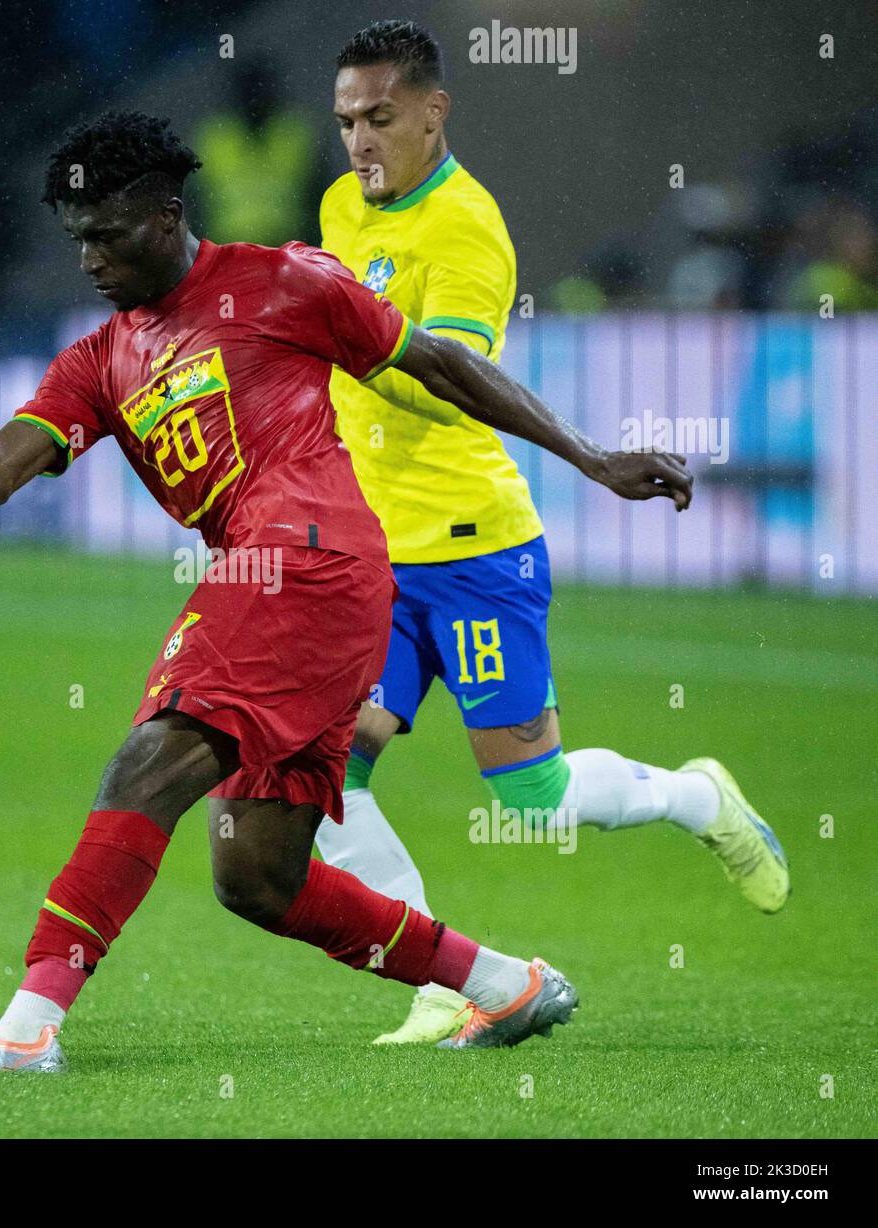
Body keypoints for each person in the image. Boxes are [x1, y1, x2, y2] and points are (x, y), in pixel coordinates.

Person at [0, 111, 691, 1074]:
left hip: (306, 563)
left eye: (106, 233)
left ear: (162, 214)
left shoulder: (282, 282)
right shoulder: (103, 359)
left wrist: (592, 456)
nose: (90, 258)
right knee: (258, 876)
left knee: (146, 765)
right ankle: (503, 985)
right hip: (309, 592)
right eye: (76, 240)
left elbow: (443, 365)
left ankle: (26, 1033)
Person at [312, 21, 791, 1047]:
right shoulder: (338, 207)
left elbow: (454, 388)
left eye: (380, 119)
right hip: (372, 556)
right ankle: (440, 980)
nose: (359, 141)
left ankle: (693, 797)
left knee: (531, 792)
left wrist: (357, 341)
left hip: (474, 546)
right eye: (347, 119)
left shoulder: (467, 230)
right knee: (325, 767)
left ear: (433, 113)